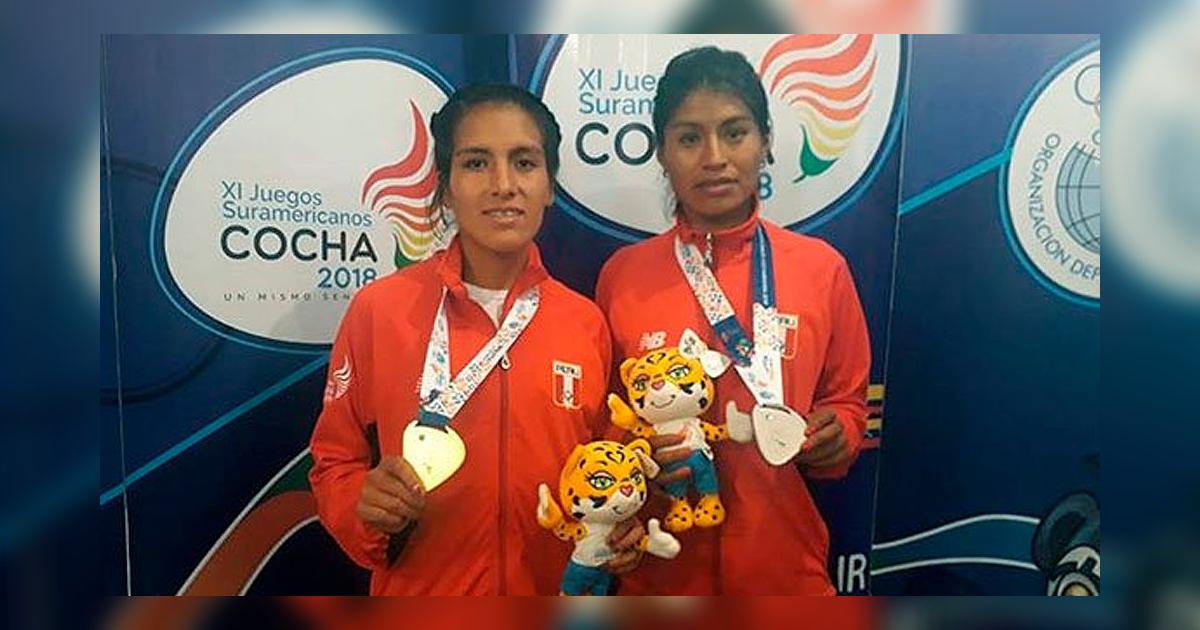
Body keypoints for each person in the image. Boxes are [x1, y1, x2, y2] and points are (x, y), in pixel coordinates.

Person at [309, 84, 643, 595]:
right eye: (476, 163)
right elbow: (335, 460)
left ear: (550, 184)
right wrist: (361, 503)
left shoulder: (585, 323)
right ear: (445, 186)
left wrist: (622, 528)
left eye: (525, 162)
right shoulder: (381, 311)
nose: (503, 184)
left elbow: (611, 461)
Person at [595, 46, 872, 594]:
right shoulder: (623, 276)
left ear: (765, 141)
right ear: (663, 152)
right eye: (690, 138)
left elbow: (848, 401)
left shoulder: (820, 269)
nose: (714, 156)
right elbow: (605, 419)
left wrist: (839, 433)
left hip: (784, 567)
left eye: (735, 132)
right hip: (660, 567)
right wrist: (635, 454)